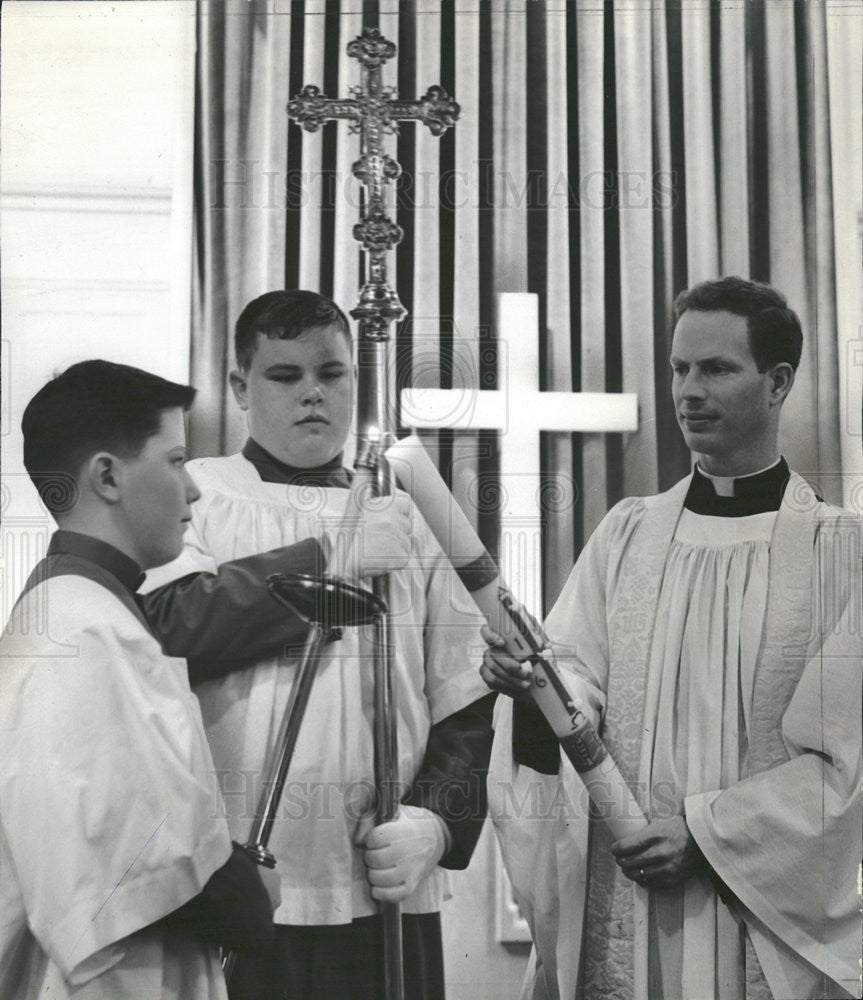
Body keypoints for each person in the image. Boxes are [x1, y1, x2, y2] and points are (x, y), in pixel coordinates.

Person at [482, 277, 862, 1000]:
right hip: (628, 892)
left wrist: (706, 834)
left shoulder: (838, 552)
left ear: (777, 382)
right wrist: (529, 683)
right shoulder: (627, 534)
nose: (687, 390)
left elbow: (849, 765)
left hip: (763, 910)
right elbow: (571, 680)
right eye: (678, 369)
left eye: (715, 369)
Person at [140, 290, 495, 1000]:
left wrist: (436, 820)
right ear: (240, 386)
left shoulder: (410, 513)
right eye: (284, 375)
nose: (312, 394)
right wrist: (325, 559)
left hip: (381, 875)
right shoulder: (200, 494)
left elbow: (464, 694)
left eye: (331, 374)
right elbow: (172, 625)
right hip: (240, 874)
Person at [0, 361, 274, 1000]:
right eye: (176, 461)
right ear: (107, 476)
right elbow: (119, 871)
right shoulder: (82, 630)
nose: (194, 490)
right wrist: (245, 890)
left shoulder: (83, 610)